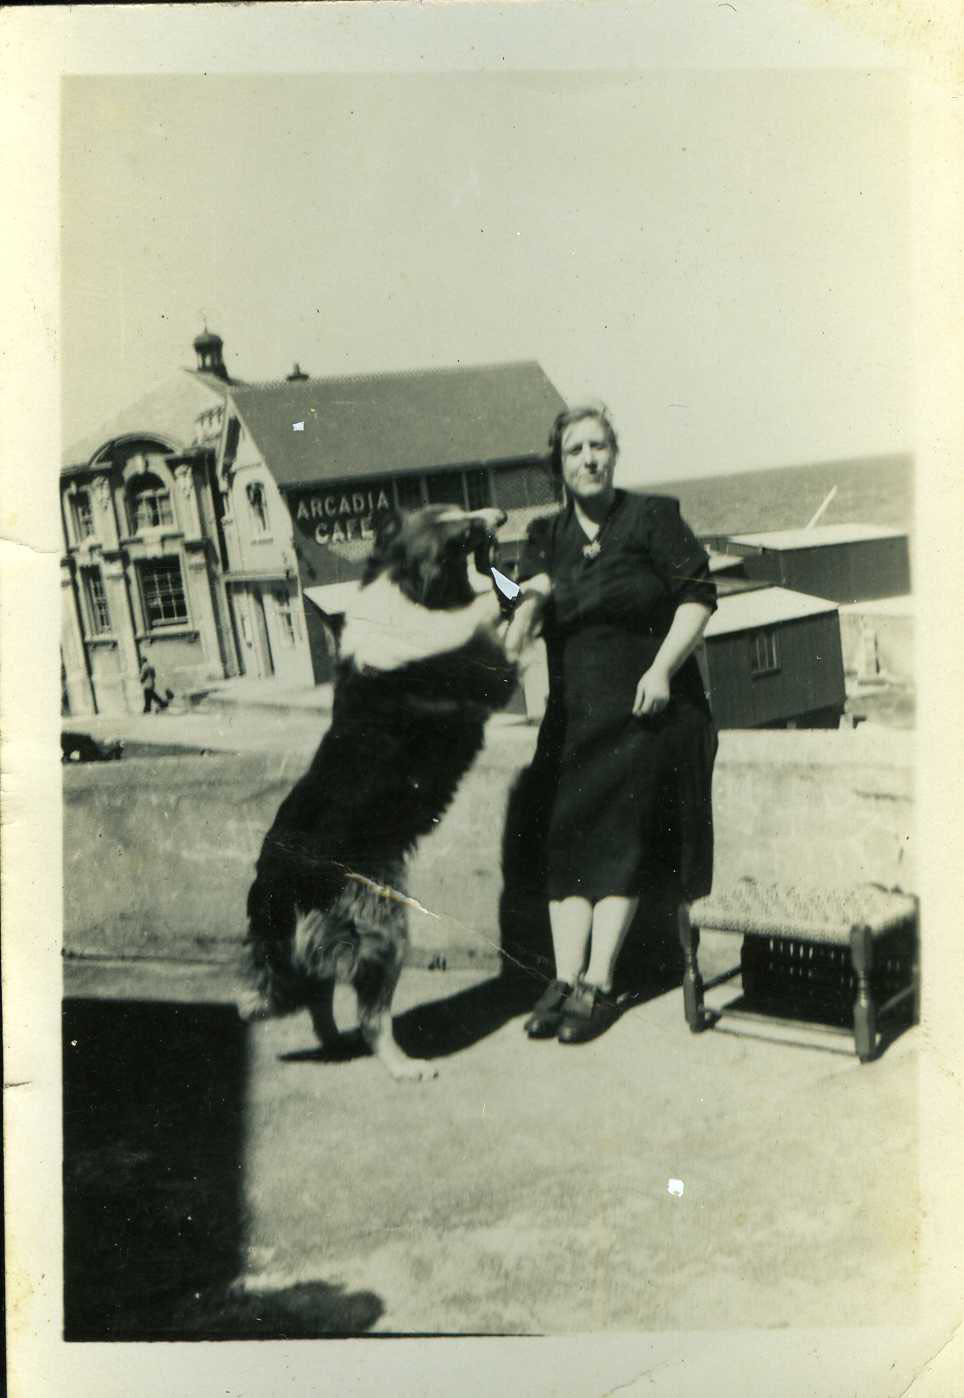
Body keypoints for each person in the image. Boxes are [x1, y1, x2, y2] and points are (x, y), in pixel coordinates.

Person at [506, 402, 717, 1044]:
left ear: (615, 454)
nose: (588, 459)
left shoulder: (653, 518)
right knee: (564, 840)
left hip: (646, 710)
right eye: (575, 450)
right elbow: (520, 597)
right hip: (573, 717)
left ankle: (599, 983)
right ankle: (565, 979)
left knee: (621, 835)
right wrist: (509, 594)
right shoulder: (544, 534)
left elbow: (698, 597)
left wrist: (660, 670)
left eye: (598, 446)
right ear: (559, 465)